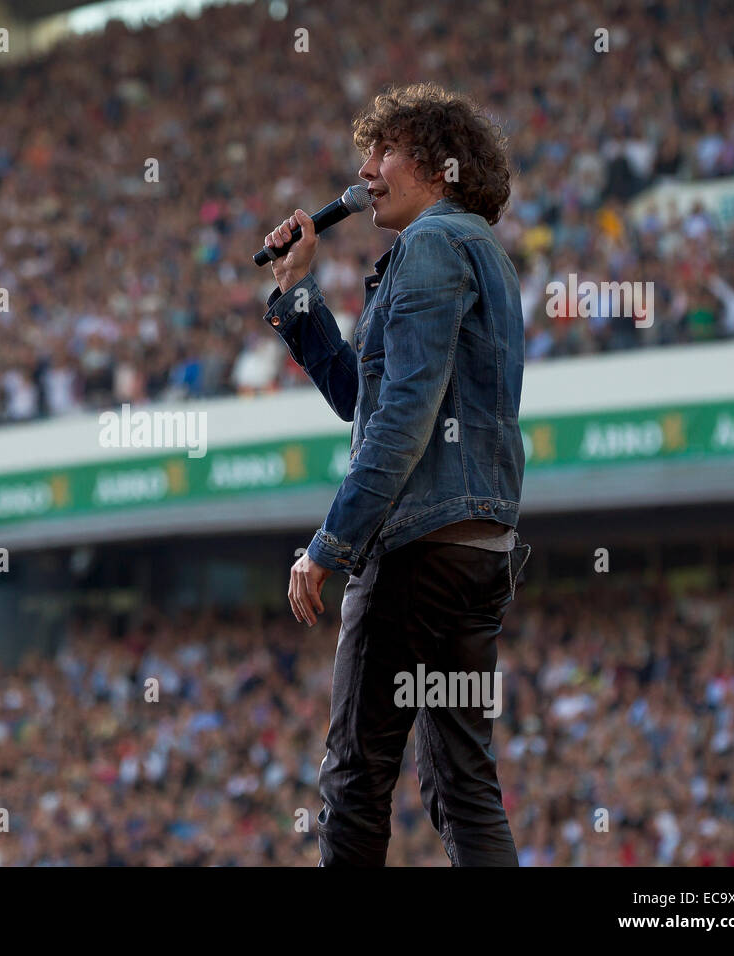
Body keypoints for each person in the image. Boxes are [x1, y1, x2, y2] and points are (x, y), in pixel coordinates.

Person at [261, 82, 532, 866]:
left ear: (440, 167)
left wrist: (330, 543)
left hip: (416, 551)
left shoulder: (431, 246)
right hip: (477, 553)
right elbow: (365, 399)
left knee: (355, 775)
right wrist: (297, 293)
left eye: (384, 152)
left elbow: (401, 421)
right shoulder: (482, 252)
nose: (366, 170)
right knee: (462, 785)